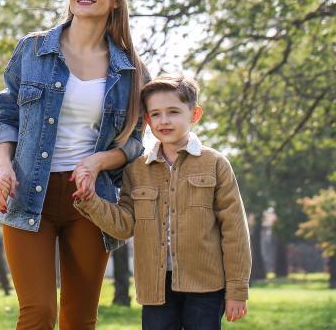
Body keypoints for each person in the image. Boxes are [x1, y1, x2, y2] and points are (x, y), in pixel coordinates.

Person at [0, 0, 147, 329]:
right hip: (28, 195)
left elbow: (136, 141)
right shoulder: (33, 49)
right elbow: (5, 117)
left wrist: (97, 163)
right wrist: (3, 168)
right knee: (38, 312)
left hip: (91, 200)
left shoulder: (130, 70)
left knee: (79, 318)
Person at [75, 73, 250, 329]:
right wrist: (91, 202)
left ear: (195, 114)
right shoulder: (136, 170)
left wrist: (237, 290)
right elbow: (124, 225)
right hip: (155, 287)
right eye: (155, 114)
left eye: (173, 112)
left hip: (206, 285)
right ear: (147, 120)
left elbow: (235, 231)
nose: (164, 120)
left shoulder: (215, 164)